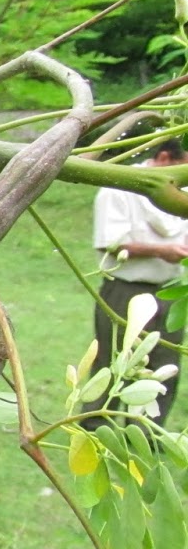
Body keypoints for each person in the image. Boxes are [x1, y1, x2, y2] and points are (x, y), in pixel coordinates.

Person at [90, 138, 188, 422]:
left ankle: (147, 432)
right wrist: (162, 250)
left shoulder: (182, 193)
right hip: (125, 290)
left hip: (170, 292)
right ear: (166, 158)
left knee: (165, 365)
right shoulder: (119, 188)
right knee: (113, 361)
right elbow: (109, 243)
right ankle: (95, 428)